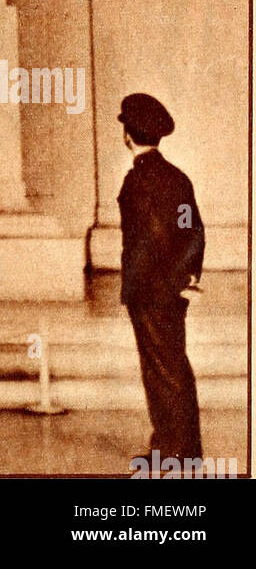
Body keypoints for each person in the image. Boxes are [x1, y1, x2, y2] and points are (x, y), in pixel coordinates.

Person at [117, 91, 204, 468]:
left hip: (149, 293)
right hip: (171, 291)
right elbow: (192, 232)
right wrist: (185, 276)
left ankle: (176, 452)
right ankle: (175, 446)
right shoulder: (177, 179)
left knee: (161, 373)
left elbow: (140, 244)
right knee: (172, 368)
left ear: (128, 136)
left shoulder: (137, 182)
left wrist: (139, 288)